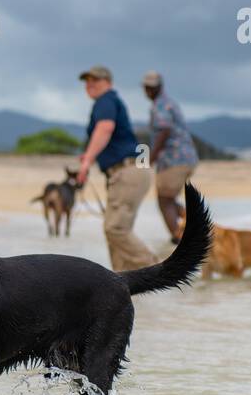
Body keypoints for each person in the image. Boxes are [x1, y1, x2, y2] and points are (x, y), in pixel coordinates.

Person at [76, 65, 156, 271]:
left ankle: (158, 273)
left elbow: (105, 128)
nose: (90, 84)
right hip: (128, 170)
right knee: (115, 230)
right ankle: (122, 285)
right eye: (87, 80)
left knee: (115, 229)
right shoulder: (109, 101)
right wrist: (89, 156)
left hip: (128, 170)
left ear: (108, 83)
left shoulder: (106, 100)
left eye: (96, 80)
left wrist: (86, 162)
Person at [142, 70, 198, 243]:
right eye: (147, 87)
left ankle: (179, 239)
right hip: (187, 158)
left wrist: (150, 158)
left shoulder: (160, 105)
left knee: (164, 200)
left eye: (152, 87)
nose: (149, 91)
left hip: (174, 160)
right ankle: (197, 229)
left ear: (159, 87)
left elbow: (164, 130)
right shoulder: (169, 102)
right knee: (170, 199)